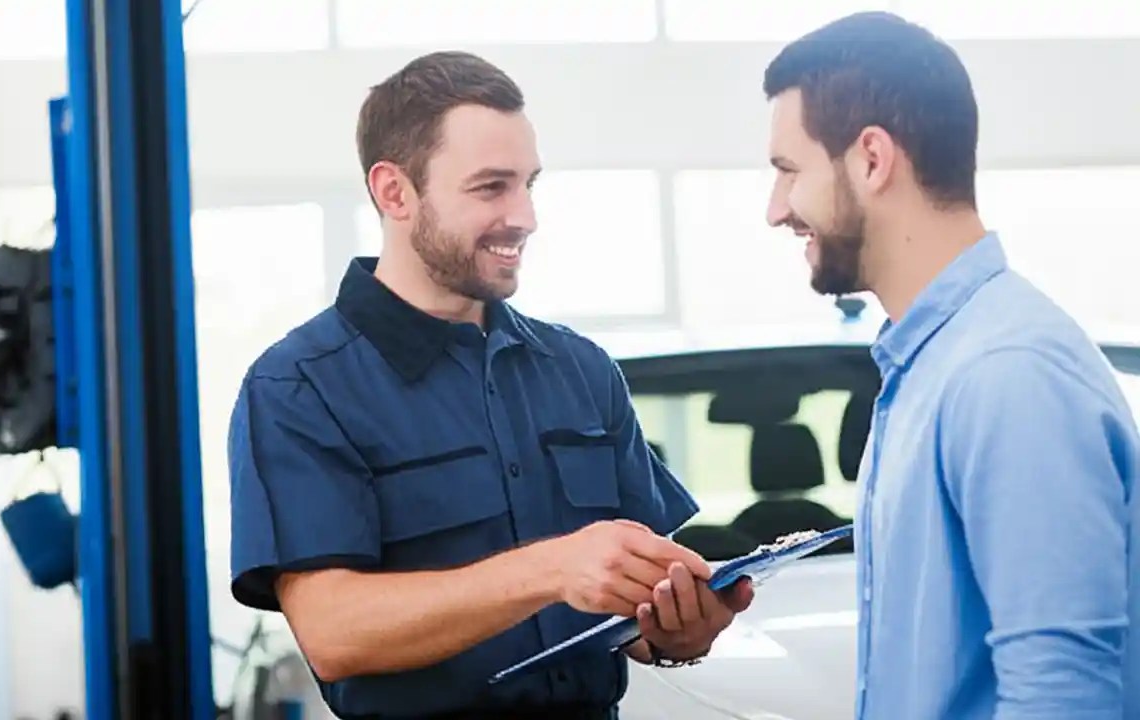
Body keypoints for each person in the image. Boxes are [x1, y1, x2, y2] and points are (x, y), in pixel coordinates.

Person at [227, 50, 753, 719]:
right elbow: (332, 633)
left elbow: (639, 613)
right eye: (490, 187)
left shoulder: (582, 371)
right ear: (394, 192)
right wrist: (552, 569)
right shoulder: (298, 388)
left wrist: (678, 630)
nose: (525, 215)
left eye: (529, 183)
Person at [761, 11, 1140, 720]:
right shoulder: (929, 367)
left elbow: (1059, 698)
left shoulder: (1007, 375)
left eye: (788, 171)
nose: (776, 209)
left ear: (872, 158)